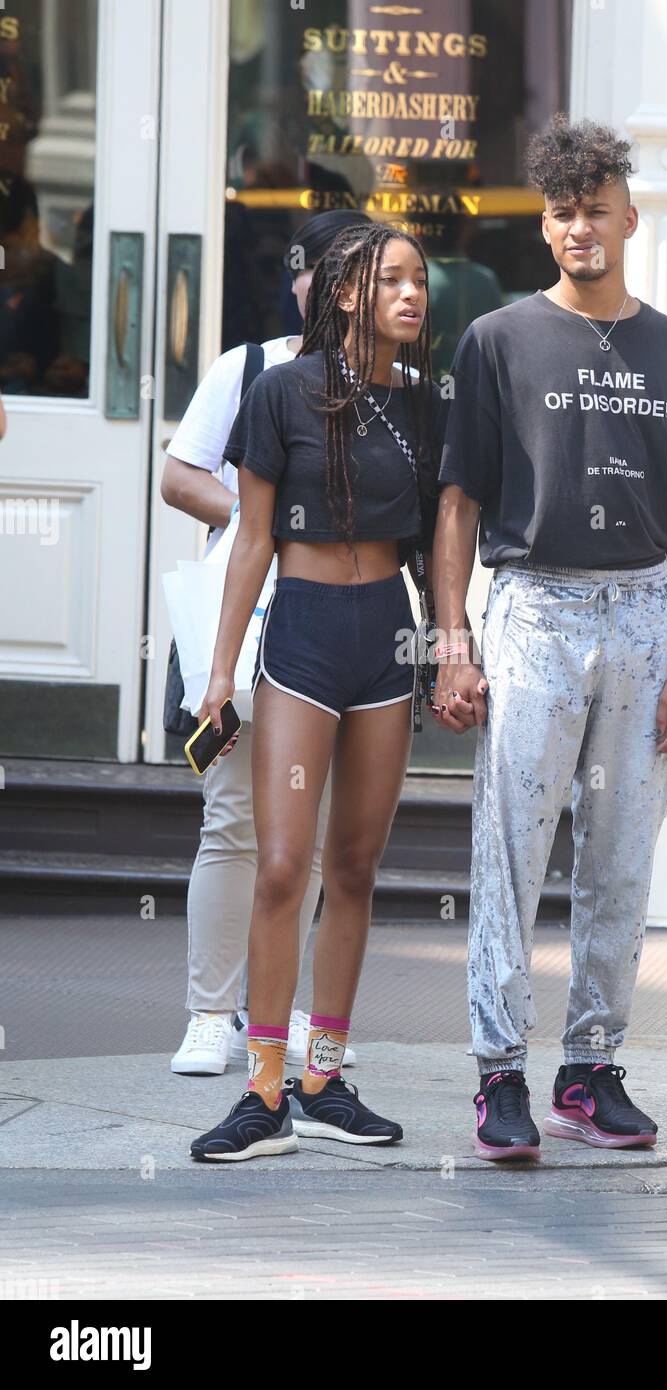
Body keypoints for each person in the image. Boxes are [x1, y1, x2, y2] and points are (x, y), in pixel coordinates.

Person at [431, 114, 667, 1161]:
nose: (581, 228)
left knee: (620, 858)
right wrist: (452, 640)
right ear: (546, 224)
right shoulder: (499, 341)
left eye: (596, 209)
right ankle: (497, 1076)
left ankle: (590, 1069)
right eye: (562, 212)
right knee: (511, 850)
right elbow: (458, 503)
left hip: (645, 612)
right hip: (533, 605)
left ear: (629, 214)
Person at [189, 222, 451, 1160]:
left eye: (420, 281)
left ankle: (324, 1079)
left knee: (354, 869)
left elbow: (442, 534)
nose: (412, 295)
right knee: (280, 864)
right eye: (392, 280)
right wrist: (221, 669)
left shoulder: (425, 406)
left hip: (385, 638)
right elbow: (252, 536)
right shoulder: (280, 391)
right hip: (299, 636)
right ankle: (262, 1091)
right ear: (346, 293)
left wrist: (451, 644)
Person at [162, 210, 372, 1077]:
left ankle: (275, 1013)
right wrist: (269, 525)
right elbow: (181, 475)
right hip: (247, 626)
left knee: (315, 835)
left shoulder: (386, 384)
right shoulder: (247, 368)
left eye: (334, 273)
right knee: (236, 821)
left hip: (340, 628)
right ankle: (212, 1012)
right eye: (305, 272)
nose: (312, 288)